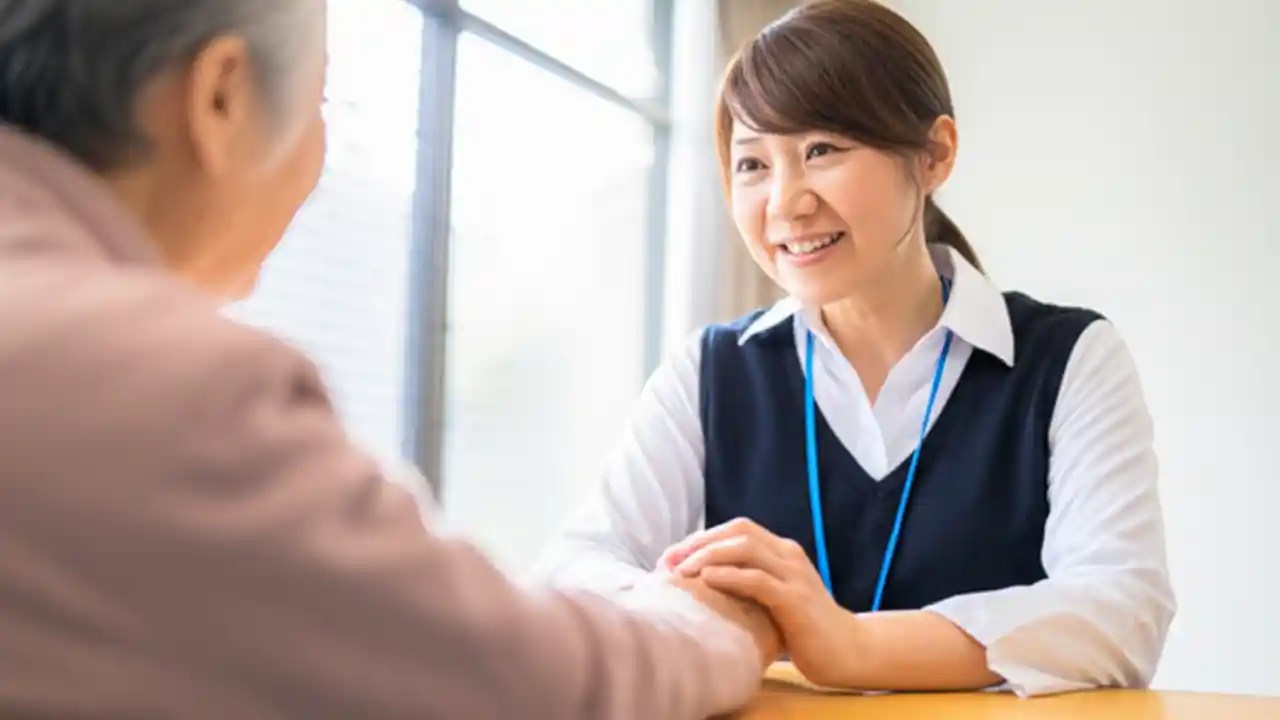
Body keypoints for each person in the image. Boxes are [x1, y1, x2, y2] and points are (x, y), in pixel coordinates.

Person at [0, 1, 782, 717]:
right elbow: (521, 676)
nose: (789, 199)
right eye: (324, 104)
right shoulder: (169, 384)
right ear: (222, 98)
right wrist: (714, 620)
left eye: (825, 151)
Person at [537, 0, 1176, 697]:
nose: (784, 203)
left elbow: (1121, 610)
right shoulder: (712, 371)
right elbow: (573, 570)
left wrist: (847, 642)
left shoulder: (1069, 360)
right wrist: (696, 605)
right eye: (752, 165)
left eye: (821, 151)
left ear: (934, 155)